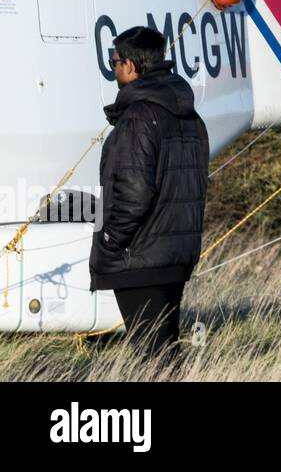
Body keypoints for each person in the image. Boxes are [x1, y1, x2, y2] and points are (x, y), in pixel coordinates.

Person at [89, 26, 210, 359]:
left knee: (152, 359)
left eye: (114, 61)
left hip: (137, 255)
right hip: (175, 252)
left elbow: (135, 192)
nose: (113, 69)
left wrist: (112, 238)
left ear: (130, 66)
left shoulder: (138, 116)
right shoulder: (188, 115)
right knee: (166, 353)